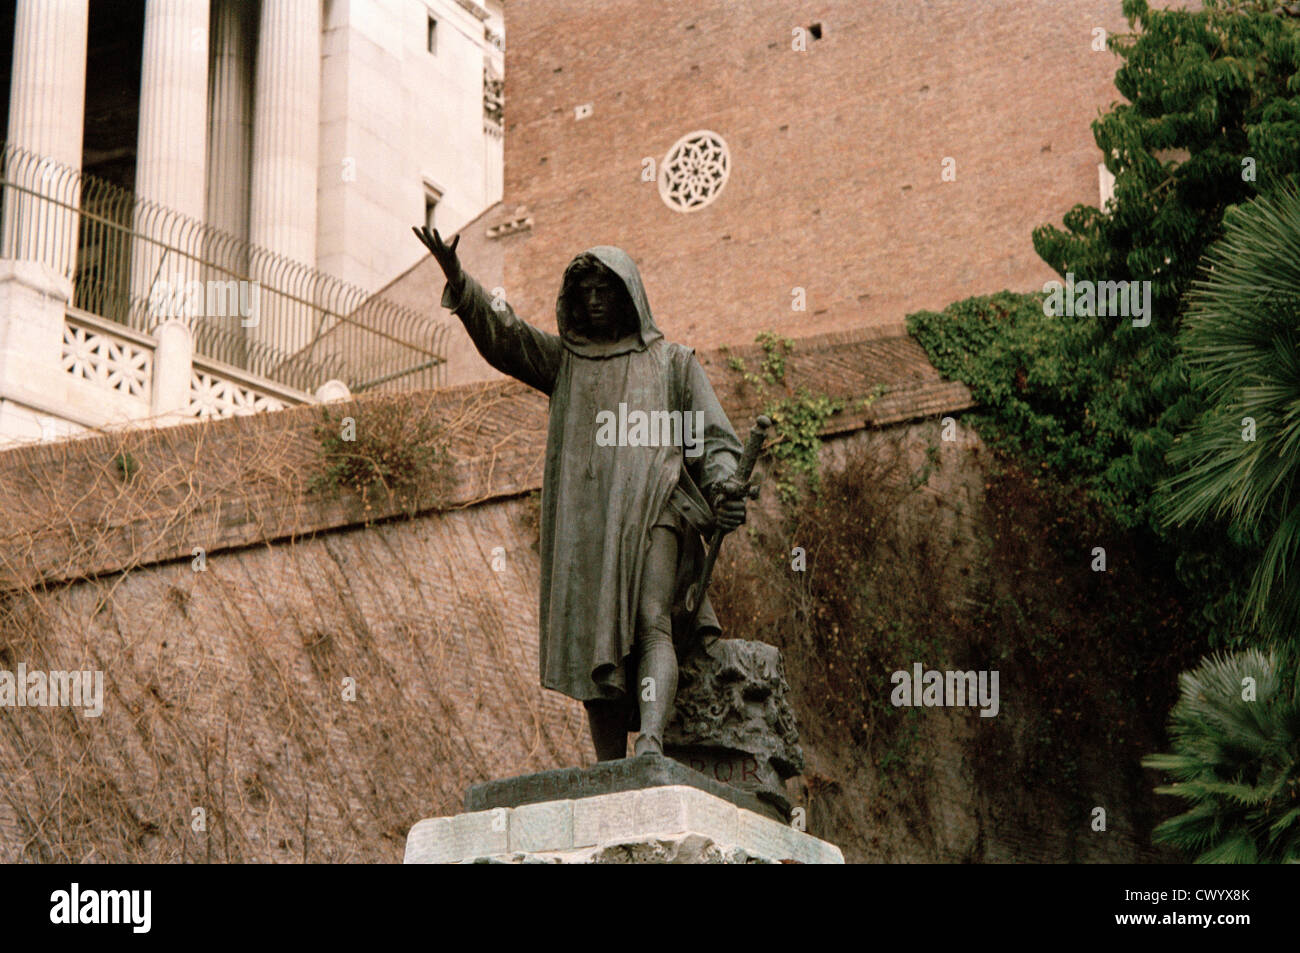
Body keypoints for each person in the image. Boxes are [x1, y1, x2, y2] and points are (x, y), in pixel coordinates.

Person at [413, 226, 747, 760]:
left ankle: (653, 745)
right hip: (588, 525)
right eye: (585, 292)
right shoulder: (566, 363)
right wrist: (459, 279)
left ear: (629, 295)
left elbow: (714, 440)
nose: (595, 301)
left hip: (655, 508)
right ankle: (610, 767)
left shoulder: (673, 364)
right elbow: (507, 337)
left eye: (605, 291)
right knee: (596, 646)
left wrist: (724, 483)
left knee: (652, 618)